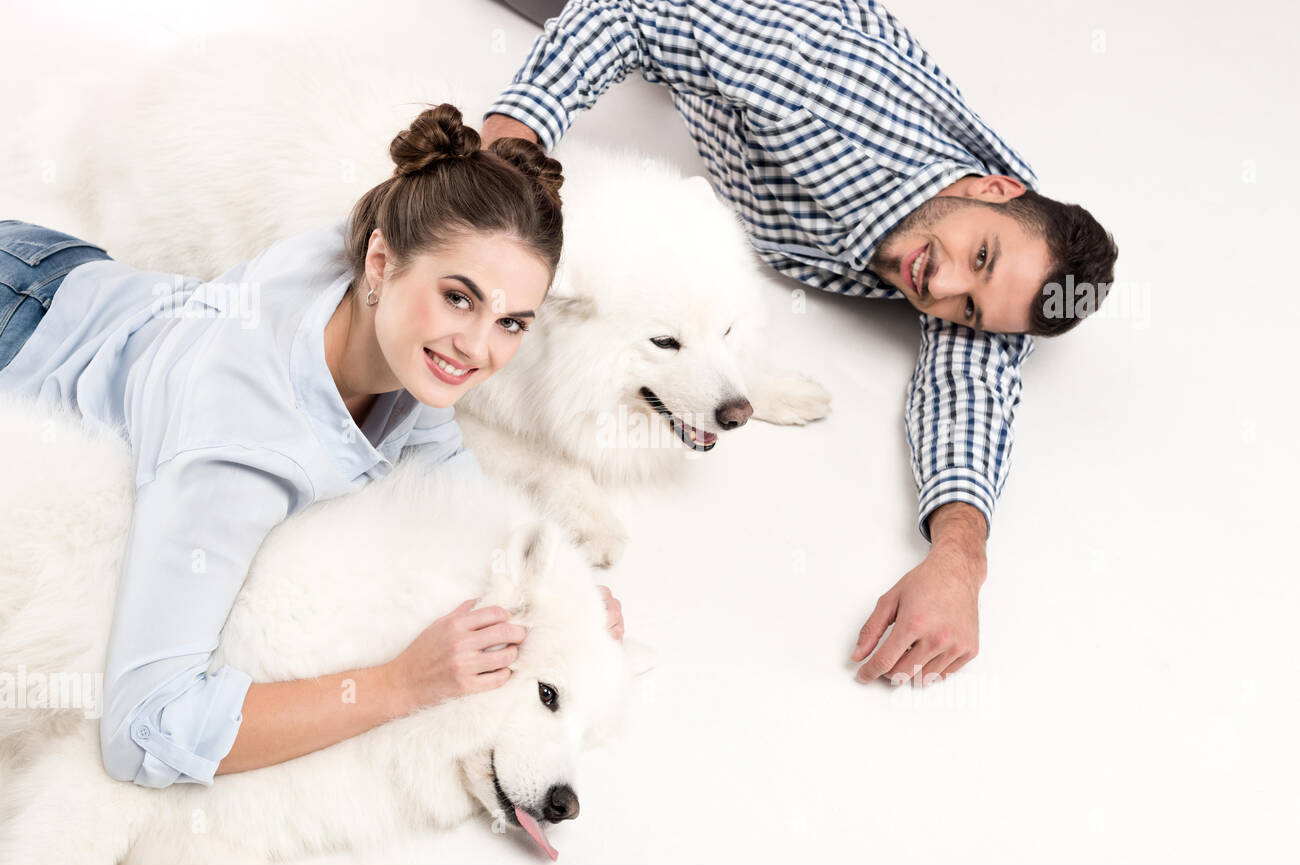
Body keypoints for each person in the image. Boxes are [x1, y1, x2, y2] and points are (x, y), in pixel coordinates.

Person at [482, 0, 1117, 687]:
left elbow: (973, 388)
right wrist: (508, 156)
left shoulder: (997, 268)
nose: (943, 284)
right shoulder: (823, 102)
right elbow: (632, 14)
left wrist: (960, 562)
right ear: (994, 188)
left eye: (969, 307)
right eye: (981, 255)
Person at [0, 104, 624, 789]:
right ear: (382, 262)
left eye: (510, 321)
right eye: (457, 298)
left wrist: (565, 591)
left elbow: (445, 467)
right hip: (20, 328)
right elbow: (142, 728)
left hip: (62, 271)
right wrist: (396, 685)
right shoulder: (242, 440)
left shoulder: (384, 289)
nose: (478, 348)